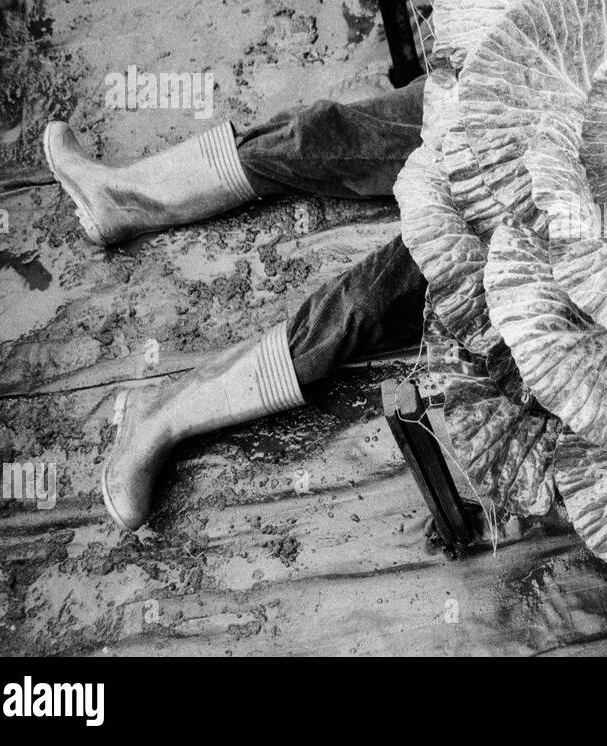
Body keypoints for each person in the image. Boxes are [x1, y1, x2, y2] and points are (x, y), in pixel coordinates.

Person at [44, 81, 430, 531]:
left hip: (519, 217)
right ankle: (121, 196)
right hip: (512, 106)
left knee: (370, 299)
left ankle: (163, 414)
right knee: (335, 134)